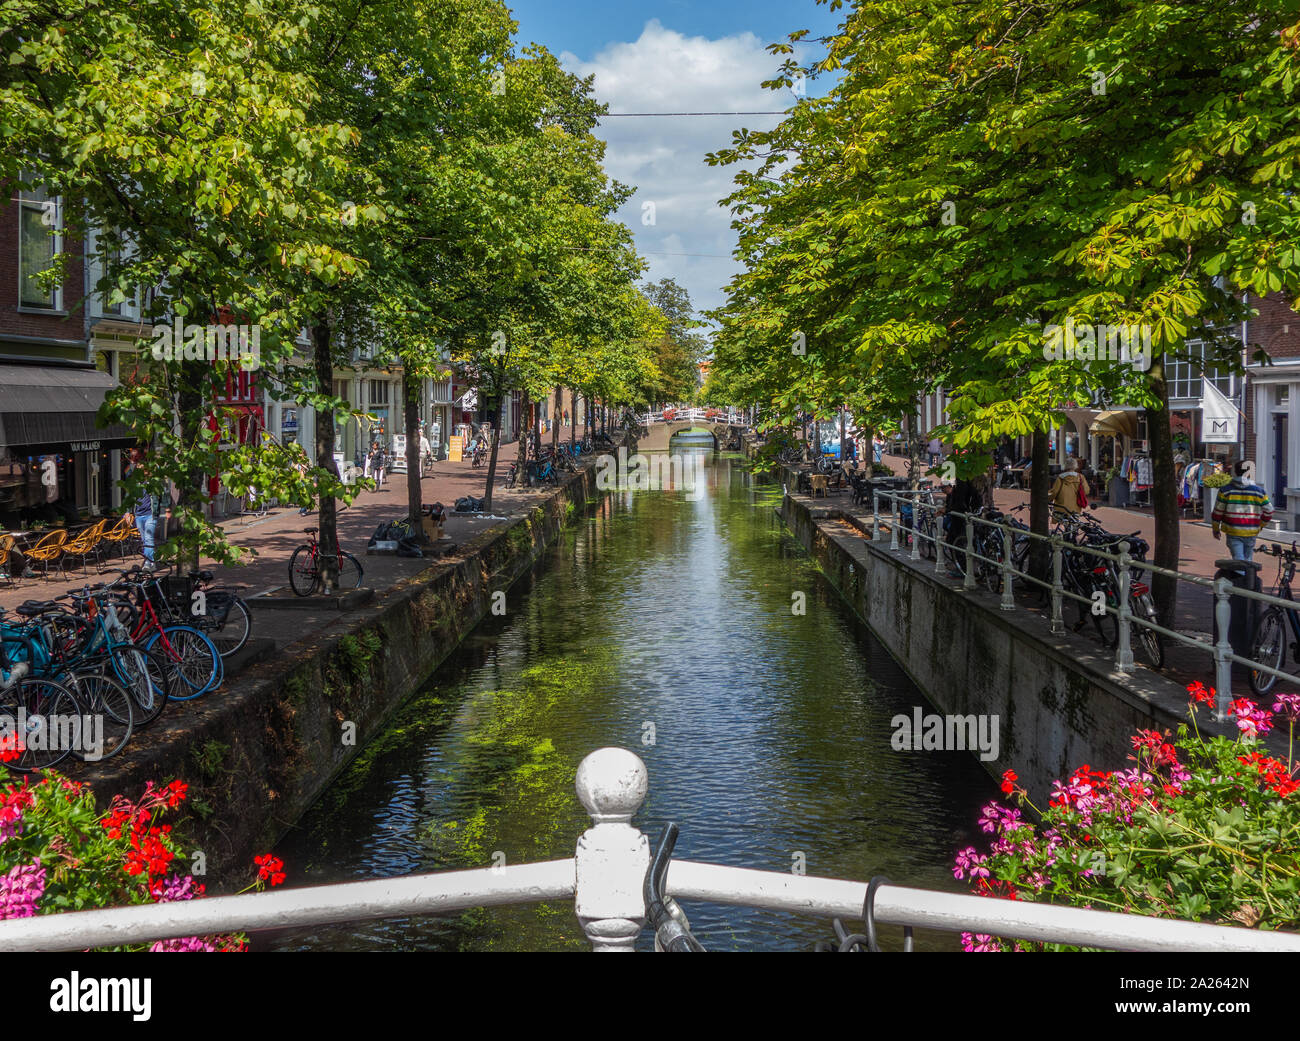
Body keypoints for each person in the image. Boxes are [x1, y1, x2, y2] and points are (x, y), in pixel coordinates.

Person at [1211, 461, 1273, 562]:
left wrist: (1215, 529)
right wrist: (1260, 524)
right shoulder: (1259, 491)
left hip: (1233, 530)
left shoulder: (1225, 490)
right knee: (1248, 560)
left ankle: (1240, 576)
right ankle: (1248, 577)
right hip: (1251, 531)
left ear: (1235, 472)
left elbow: (1217, 512)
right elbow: (1269, 511)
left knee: (1238, 560)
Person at [126, 447, 169, 568]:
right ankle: (151, 559)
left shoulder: (153, 483)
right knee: (145, 540)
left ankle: (149, 563)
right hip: (139, 515)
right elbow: (129, 497)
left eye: (142, 469)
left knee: (149, 538)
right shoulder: (135, 483)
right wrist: (128, 513)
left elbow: (163, 494)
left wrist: (167, 509)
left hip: (151, 514)